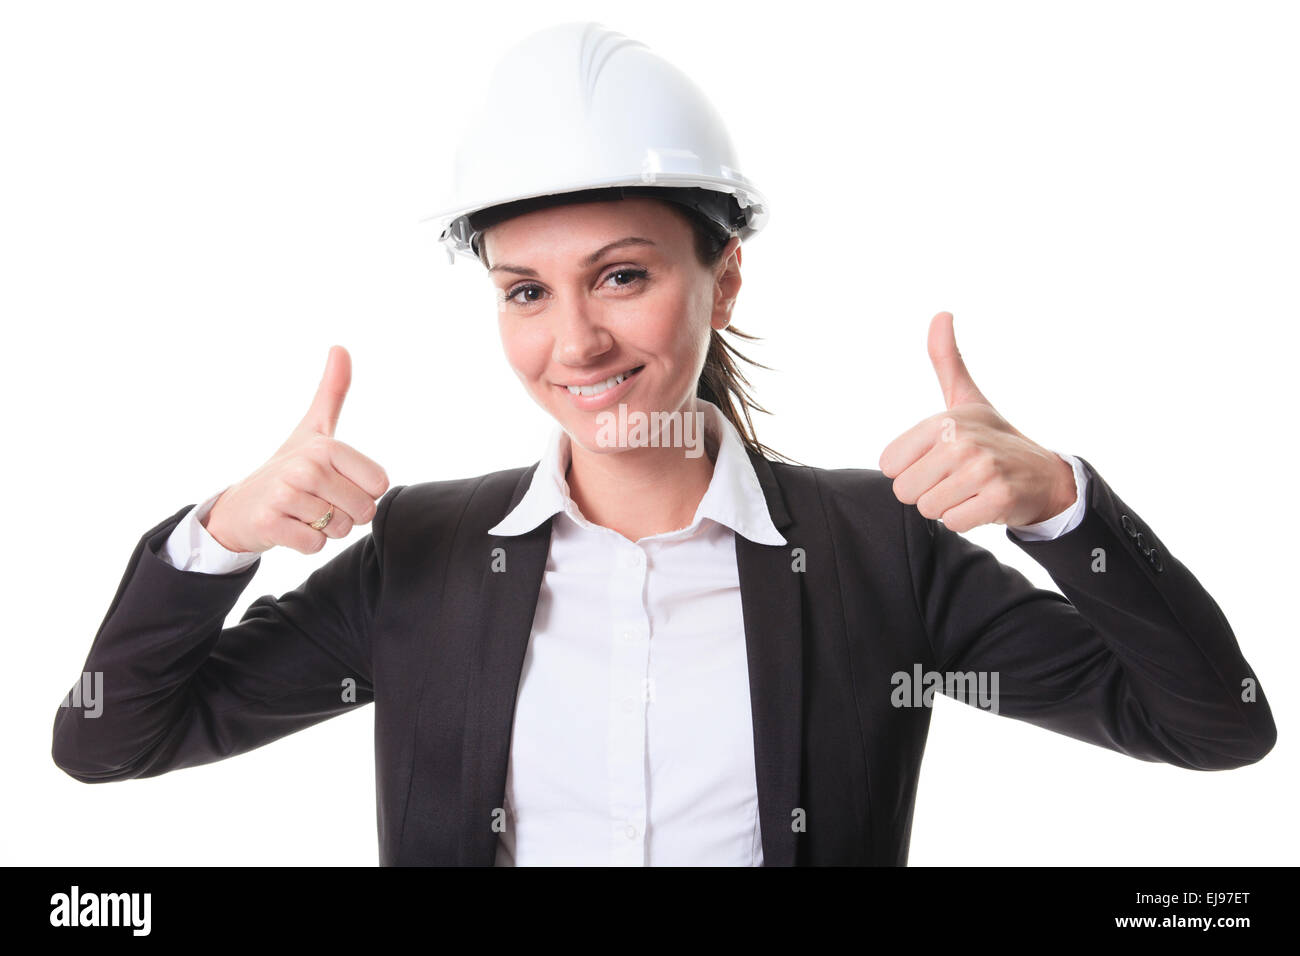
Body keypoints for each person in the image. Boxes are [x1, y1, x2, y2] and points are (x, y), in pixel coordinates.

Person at [51, 21, 1276, 866]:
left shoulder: (875, 552)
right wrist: (216, 538)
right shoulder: (422, 554)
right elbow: (112, 739)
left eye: (621, 275)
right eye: (524, 291)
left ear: (723, 277)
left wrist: (1061, 505)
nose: (574, 340)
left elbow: (1211, 723)